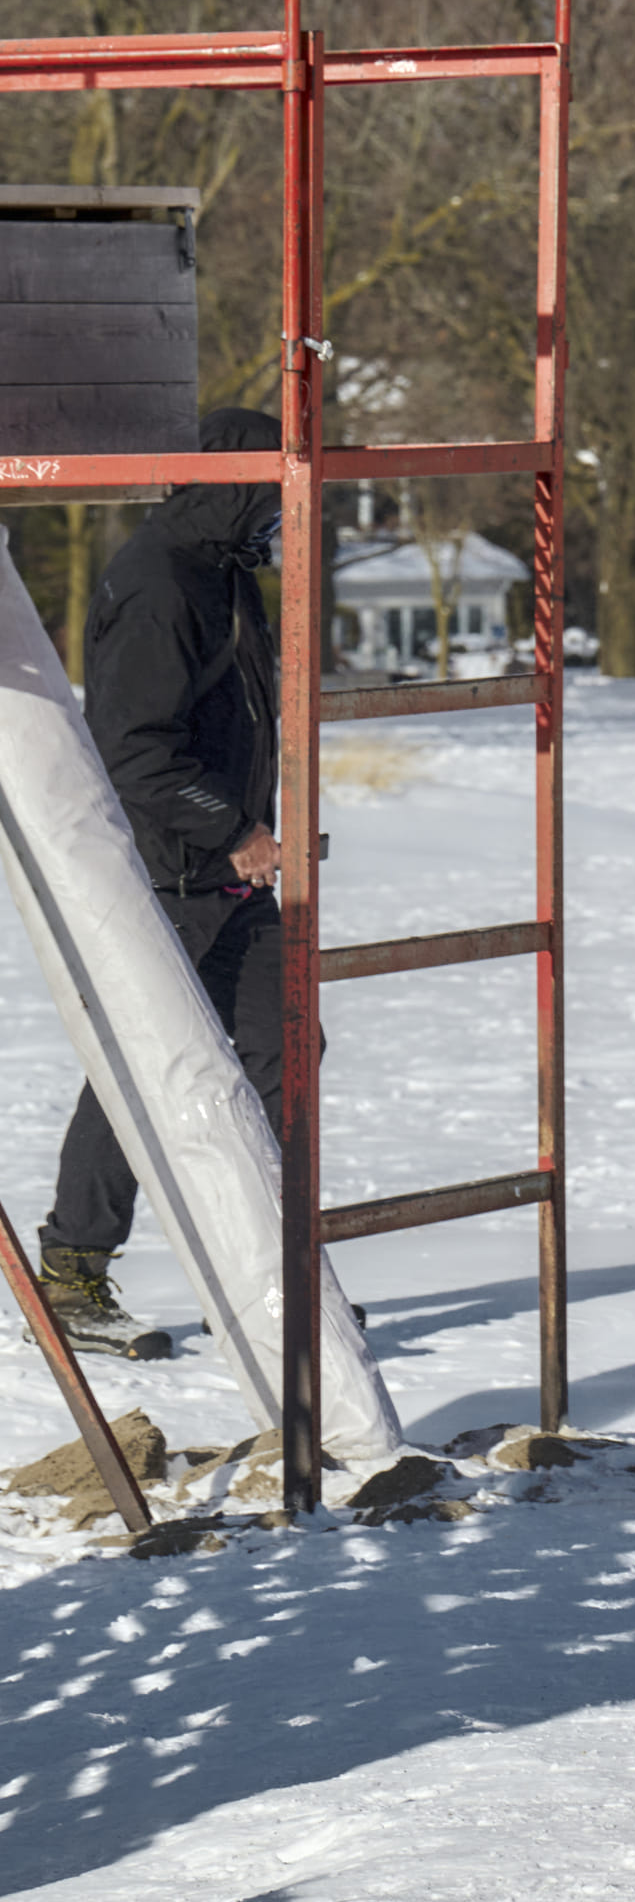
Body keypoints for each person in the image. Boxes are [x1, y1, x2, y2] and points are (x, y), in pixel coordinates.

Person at [34, 409, 288, 1360]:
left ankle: (271, 1276)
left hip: (228, 875)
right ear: (234, 487)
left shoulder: (221, 571)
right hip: (171, 874)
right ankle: (72, 1271)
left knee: (282, 1056)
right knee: (140, 1073)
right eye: (274, 500)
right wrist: (232, 829)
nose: (285, 523)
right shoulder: (158, 583)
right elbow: (134, 746)